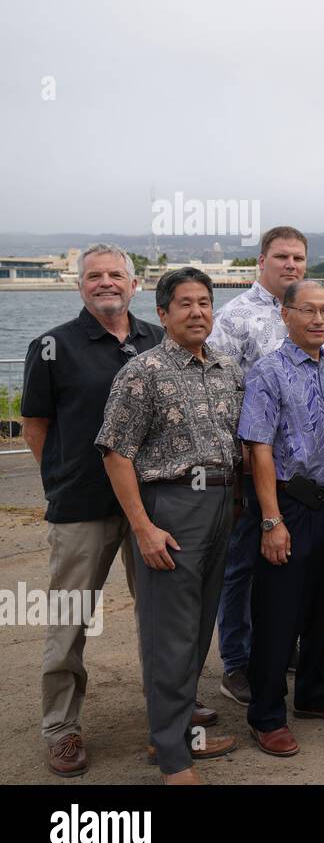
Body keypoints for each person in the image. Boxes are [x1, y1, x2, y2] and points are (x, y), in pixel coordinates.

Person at [21, 244, 172, 777]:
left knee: (160, 619)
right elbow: (35, 426)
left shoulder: (158, 338)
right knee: (68, 621)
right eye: (94, 275)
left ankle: (171, 720)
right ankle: (61, 729)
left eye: (115, 275)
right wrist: (62, 480)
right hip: (82, 507)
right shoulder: (50, 347)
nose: (105, 282)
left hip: (153, 508)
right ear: (79, 285)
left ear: (134, 285)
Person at [96, 267, 244, 784]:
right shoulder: (143, 371)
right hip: (171, 509)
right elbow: (117, 453)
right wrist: (142, 527)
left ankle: (179, 736)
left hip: (223, 505)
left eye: (204, 302)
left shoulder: (227, 368)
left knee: (200, 629)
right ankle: (173, 759)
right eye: (185, 303)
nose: (198, 312)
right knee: (169, 636)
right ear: (162, 313)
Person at [238, 280, 324, 756]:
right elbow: (257, 448)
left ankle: (313, 692)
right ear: (285, 315)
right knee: (278, 614)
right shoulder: (268, 372)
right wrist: (270, 519)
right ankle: (266, 714)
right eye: (308, 310)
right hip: (289, 505)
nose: (319, 319)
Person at [207, 225, 309, 706]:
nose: (290, 265)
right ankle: (236, 663)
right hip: (251, 464)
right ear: (261, 261)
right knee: (241, 566)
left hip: (299, 474)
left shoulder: (306, 312)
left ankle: (279, 647)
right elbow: (218, 390)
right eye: (282, 257)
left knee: (284, 562)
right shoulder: (234, 317)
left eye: (298, 258)